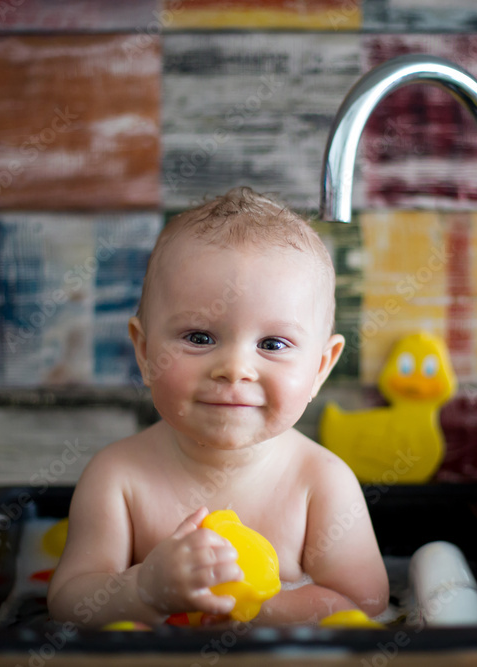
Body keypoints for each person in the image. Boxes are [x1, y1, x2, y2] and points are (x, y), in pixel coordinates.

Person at [47, 187, 388, 628]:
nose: (234, 369)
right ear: (145, 351)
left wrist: (256, 610)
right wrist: (144, 590)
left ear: (320, 368)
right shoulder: (118, 477)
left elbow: (366, 604)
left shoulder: (321, 483)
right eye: (199, 338)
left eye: (272, 344)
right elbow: (69, 600)